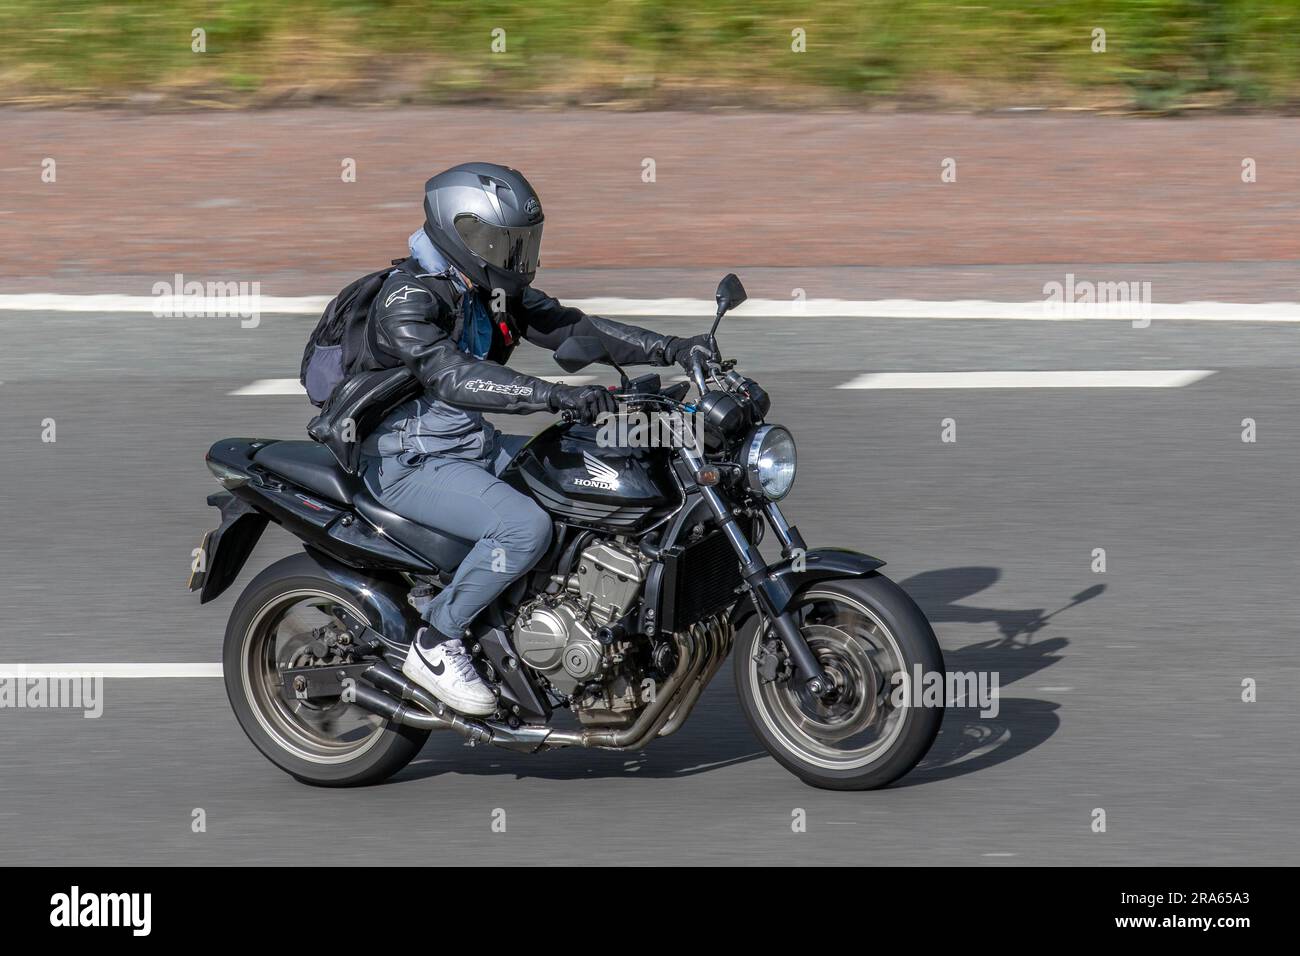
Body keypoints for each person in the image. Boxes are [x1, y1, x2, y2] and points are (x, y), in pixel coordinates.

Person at [356, 162, 709, 715]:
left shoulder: (488, 290)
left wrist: (671, 348)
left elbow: (573, 329)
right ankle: (436, 641)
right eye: (501, 243)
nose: (514, 257)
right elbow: (447, 373)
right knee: (523, 527)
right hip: (406, 461)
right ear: (460, 231)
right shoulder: (408, 299)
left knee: (581, 479)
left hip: (466, 444)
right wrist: (553, 395)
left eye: (521, 243)